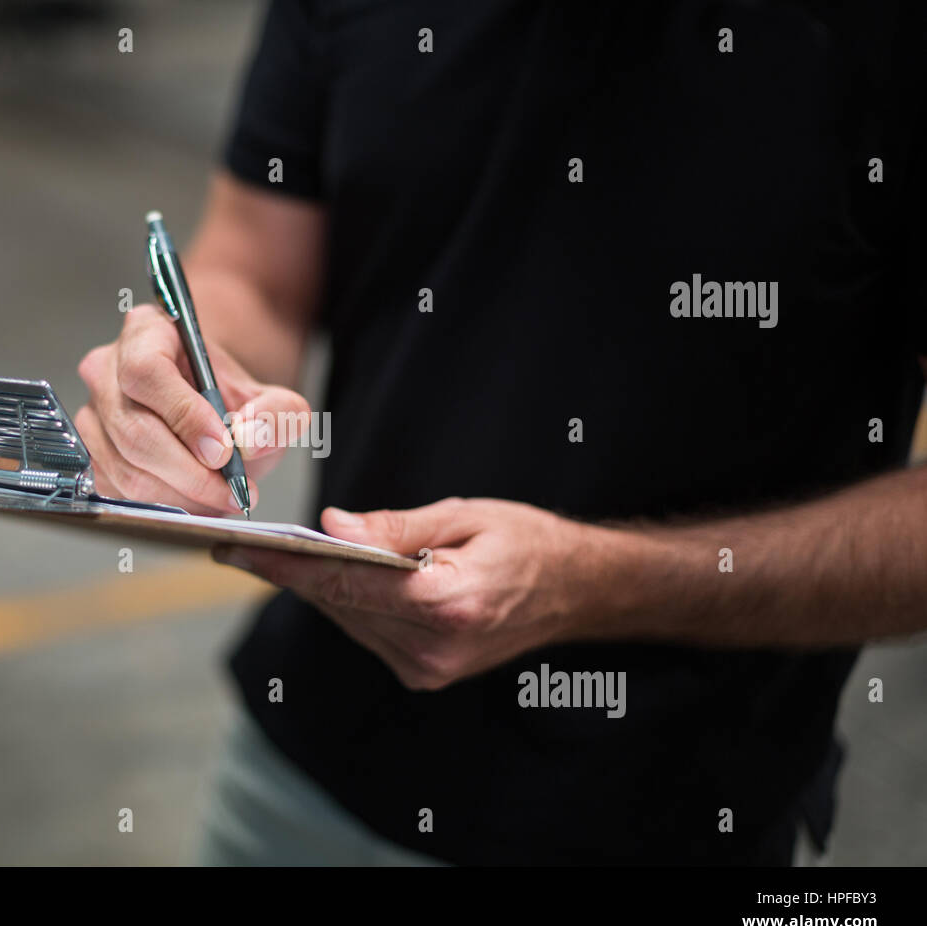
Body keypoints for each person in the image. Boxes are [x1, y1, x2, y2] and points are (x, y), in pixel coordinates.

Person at [75, 0, 927, 865]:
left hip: (671, 823)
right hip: (302, 781)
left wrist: (606, 582)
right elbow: (256, 265)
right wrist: (189, 373)